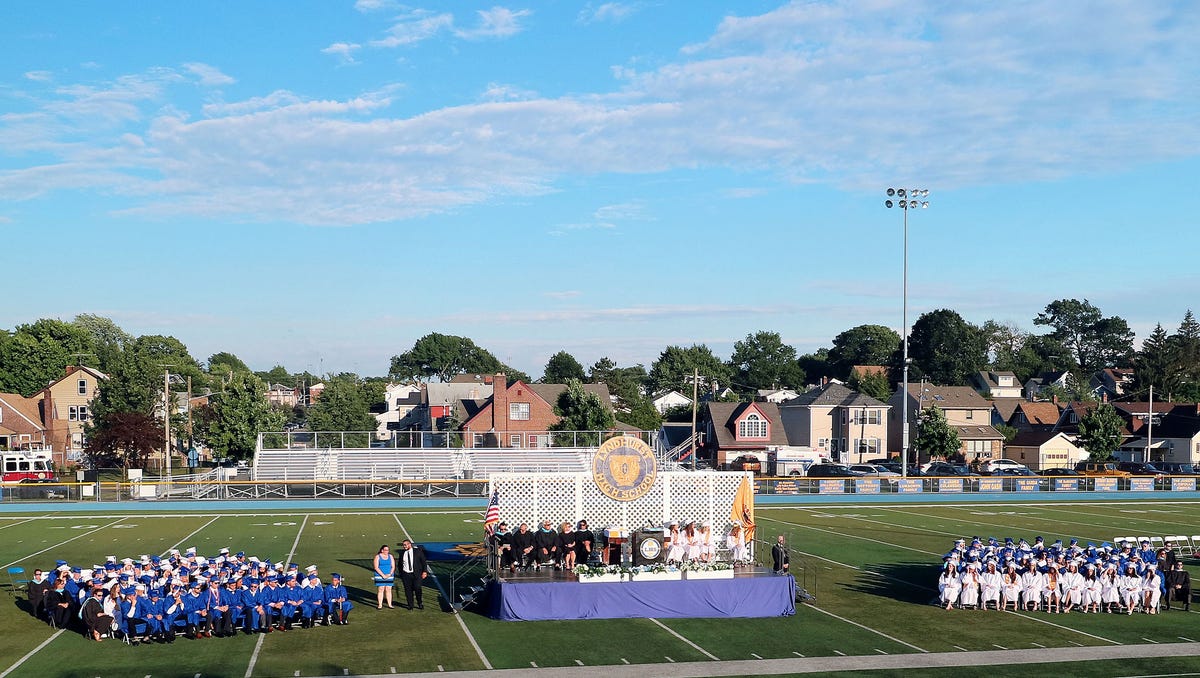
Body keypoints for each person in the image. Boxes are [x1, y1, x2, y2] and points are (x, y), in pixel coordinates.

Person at [397, 539, 428, 611]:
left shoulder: (417, 551)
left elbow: (423, 562)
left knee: (417, 588)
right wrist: (401, 573)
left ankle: (419, 603)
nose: (404, 546)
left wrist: (424, 571)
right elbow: (400, 564)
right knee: (408, 590)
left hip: (416, 574)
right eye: (403, 545)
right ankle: (410, 605)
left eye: (405, 545)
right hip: (406, 574)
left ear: (409, 544)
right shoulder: (402, 553)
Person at [373, 545, 395, 609]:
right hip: (380, 575)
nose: (387, 551)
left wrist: (390, 574)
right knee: (381, 589)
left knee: (389, 589)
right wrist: (383, 575)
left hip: (389, 575)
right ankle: (380, 605)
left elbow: (393, 566)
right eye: (385, 550)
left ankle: (390, 604)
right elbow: (376, 567)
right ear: (382, 550)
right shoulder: (377, 556)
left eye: (388, 550)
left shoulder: (390, 556)